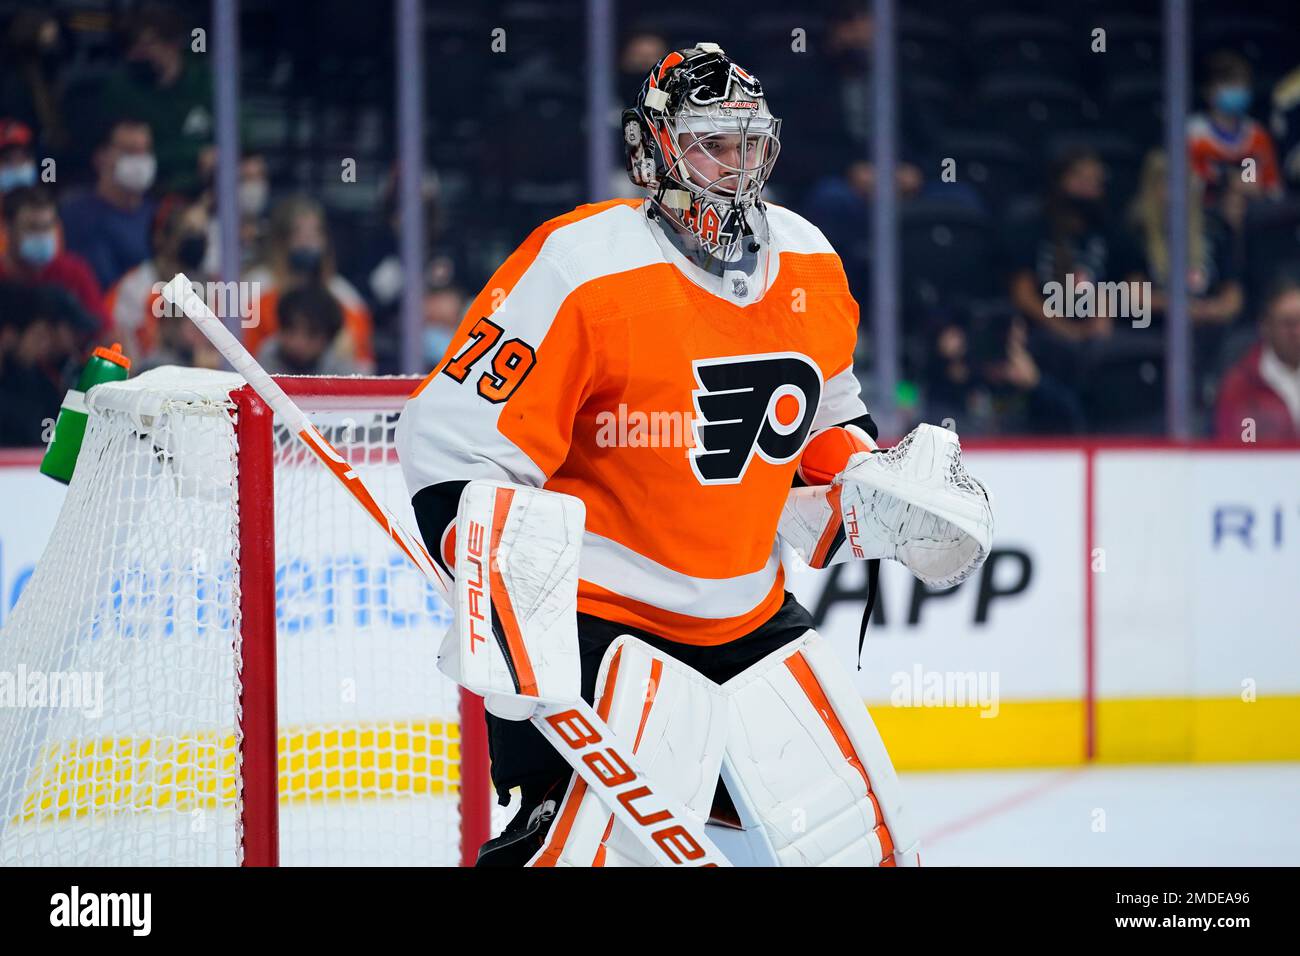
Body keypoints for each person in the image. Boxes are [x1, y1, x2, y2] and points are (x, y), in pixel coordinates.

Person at [395, 44, 985, 867]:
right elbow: (455, 443)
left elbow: (824, 419)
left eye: (749, 140)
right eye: (712, 141)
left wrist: (865, 481)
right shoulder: (580, 266)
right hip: (602, 624)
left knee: (860, 847)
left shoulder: (811, 258)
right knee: (578, 855)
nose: (737, 164)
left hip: (750, 616)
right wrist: (497, 578)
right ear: (654, 150)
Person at [244, 196, 374, 371]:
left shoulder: (344, 297)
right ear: (281, 240)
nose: (307, 242)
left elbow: (365, 365)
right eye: (298, 233)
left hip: (326, 387)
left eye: (315, 234)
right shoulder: (253, 290)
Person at [105, 195, 211, 363]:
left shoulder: (205, 284)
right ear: (161, 237)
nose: (196, 239)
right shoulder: (135, 288)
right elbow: (129, 357)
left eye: (200, 232)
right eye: (188, 231)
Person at [60, 117, 157, 290]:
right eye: (129, 152)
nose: (140, 161)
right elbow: (103, 285)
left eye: (144, 151)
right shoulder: (78, 214)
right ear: (100, 158)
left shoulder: (155, 212)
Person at [1188, 50, 1283, 226]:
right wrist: (1229, 181)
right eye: (1229, 84)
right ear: (1209, 90)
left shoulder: (1257, 135)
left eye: (1242, 84)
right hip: (1203, 220)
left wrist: (1251, 187)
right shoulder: (1192, 134)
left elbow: (1270, 187)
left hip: (1251, 220)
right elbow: (1190, 185)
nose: (1237, 89)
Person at [0, 186, 106, 336]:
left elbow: (106, 332)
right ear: (7, 229)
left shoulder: (73, 272)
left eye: (48, 226)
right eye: (33, 228)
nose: (43, 236)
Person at [1214, 273, 1300, 441]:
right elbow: (1240, 451)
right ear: (1266, 326)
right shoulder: (1241, 385)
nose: (1297, 332)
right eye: (1288, 324)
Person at [256, 284, 360, 376]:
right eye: (290, 329)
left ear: (328, 339)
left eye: (312, 334)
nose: (298, 342)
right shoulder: (268, 354)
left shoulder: (340, 363)